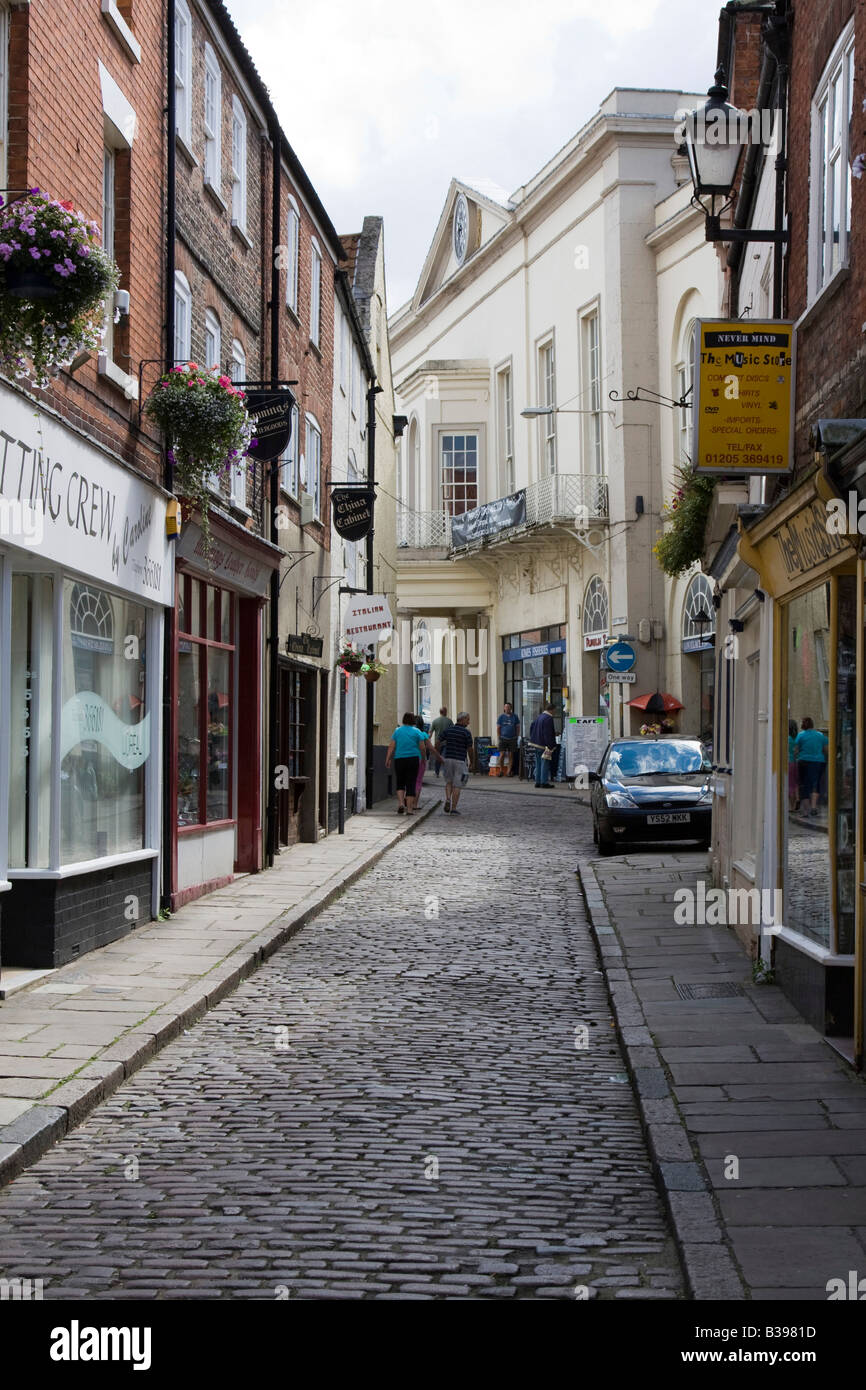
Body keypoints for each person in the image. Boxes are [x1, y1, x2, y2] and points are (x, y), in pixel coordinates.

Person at [385, 712, 441, 815]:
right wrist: (423, 758)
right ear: (413, 721)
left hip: (399, 759)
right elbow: (422, 747)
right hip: (413, 759)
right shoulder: (417, 732)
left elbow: (391, 746)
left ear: (403, 720)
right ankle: (410, 809)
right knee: (411, 783)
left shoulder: (397, 731)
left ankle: (401, 803)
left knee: (400, 782)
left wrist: (388, 759)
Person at [440, 711, 474, 815]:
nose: (468, 722)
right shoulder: (466, 733)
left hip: (448, 759)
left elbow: (438, 741)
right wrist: (472, 762)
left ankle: (447, 799)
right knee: (457, 785)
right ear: (462, 720)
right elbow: (470, 749)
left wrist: (438, 754)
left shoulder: (448, 730)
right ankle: (453, 809)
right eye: (467, 720)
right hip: (460, 760)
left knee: (449, 782)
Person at [794, 716, 828, 817]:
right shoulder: (820, 735)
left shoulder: (800, 735)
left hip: (804, 761)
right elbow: (826, 750)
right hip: (818, 762)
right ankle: (814, 807)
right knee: (816, 783)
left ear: (803, 725)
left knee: (804, 784)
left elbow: (796, 750)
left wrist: (797, 756)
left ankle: (806, 810)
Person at [529, 702, 557, 788]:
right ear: (551, 710)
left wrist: (533, 737)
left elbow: (532, 726)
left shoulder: (540, 717)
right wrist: (550, 745)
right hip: (544, 745)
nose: (555, 712)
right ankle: (544, 782)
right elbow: (547, 733)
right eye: (554, 710)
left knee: (538, 763)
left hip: (536, 743)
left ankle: (537, 781)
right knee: (545, 763)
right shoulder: (548, 718)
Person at [496, 702, 520, 776]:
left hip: (512, 738)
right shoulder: (501, 717)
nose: (507, 709)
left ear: (511, 708)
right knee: (502, 754)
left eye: (508, 707)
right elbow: (498, 728)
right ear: (504, 708)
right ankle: (501, 770)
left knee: (511, 755)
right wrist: (499, 736)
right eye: (506, 707)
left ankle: (508, 772)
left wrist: (517, 736)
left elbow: (518, 727)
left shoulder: (515, 717)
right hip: (503, 738)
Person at [429, 706, 453, 779]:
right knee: (445, 757)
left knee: (438, 757)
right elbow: (453, 730)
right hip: (447, 742)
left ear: (440, 712)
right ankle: (446, 772)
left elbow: (430, 732)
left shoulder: (435, 721)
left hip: (437, 742)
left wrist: (428, 741)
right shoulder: (449, 721)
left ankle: (437, 772)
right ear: (445, 712)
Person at [787, 719, 799, 813]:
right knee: (795, 784)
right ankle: (796, 802)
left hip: (788, 762)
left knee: (790, 785)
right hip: (795, 762)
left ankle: (792, 806)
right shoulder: (797, 738)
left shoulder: (786, 739)